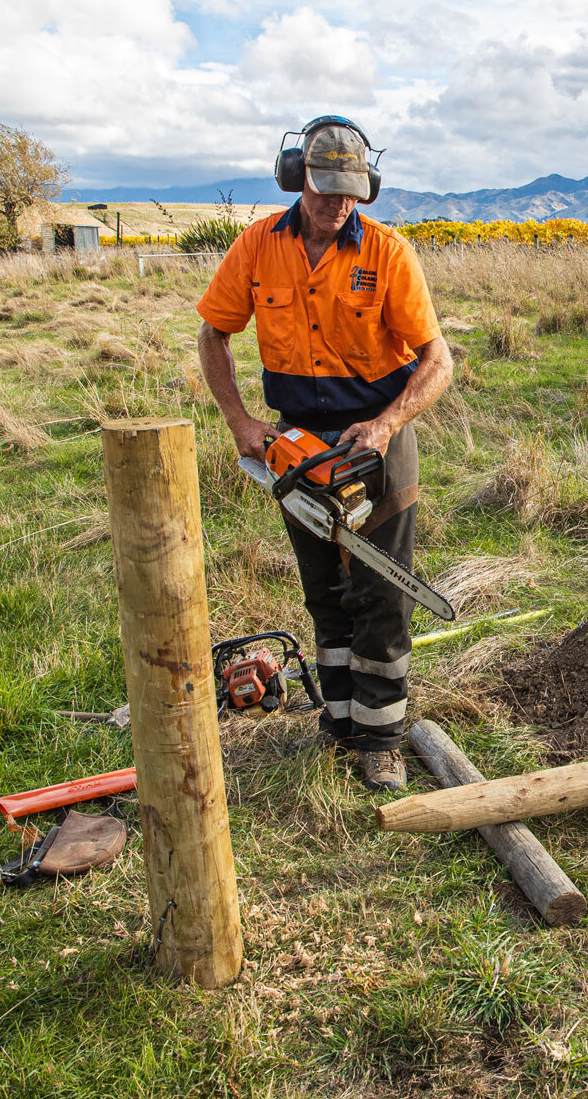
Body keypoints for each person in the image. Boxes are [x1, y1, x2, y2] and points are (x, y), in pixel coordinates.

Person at [194, 116, 452, 792]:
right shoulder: (258, 246)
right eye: (324, 188)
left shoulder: (389, 254)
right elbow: (213, 333)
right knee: (326, 595)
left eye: (351, 192)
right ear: (296, 177)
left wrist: (387, 422)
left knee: (384, 593)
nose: (337, 204)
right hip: (298, 442)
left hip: (375, 437)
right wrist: (241, 422)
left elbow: (437, 359)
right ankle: (337, 724)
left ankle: (381, 738)